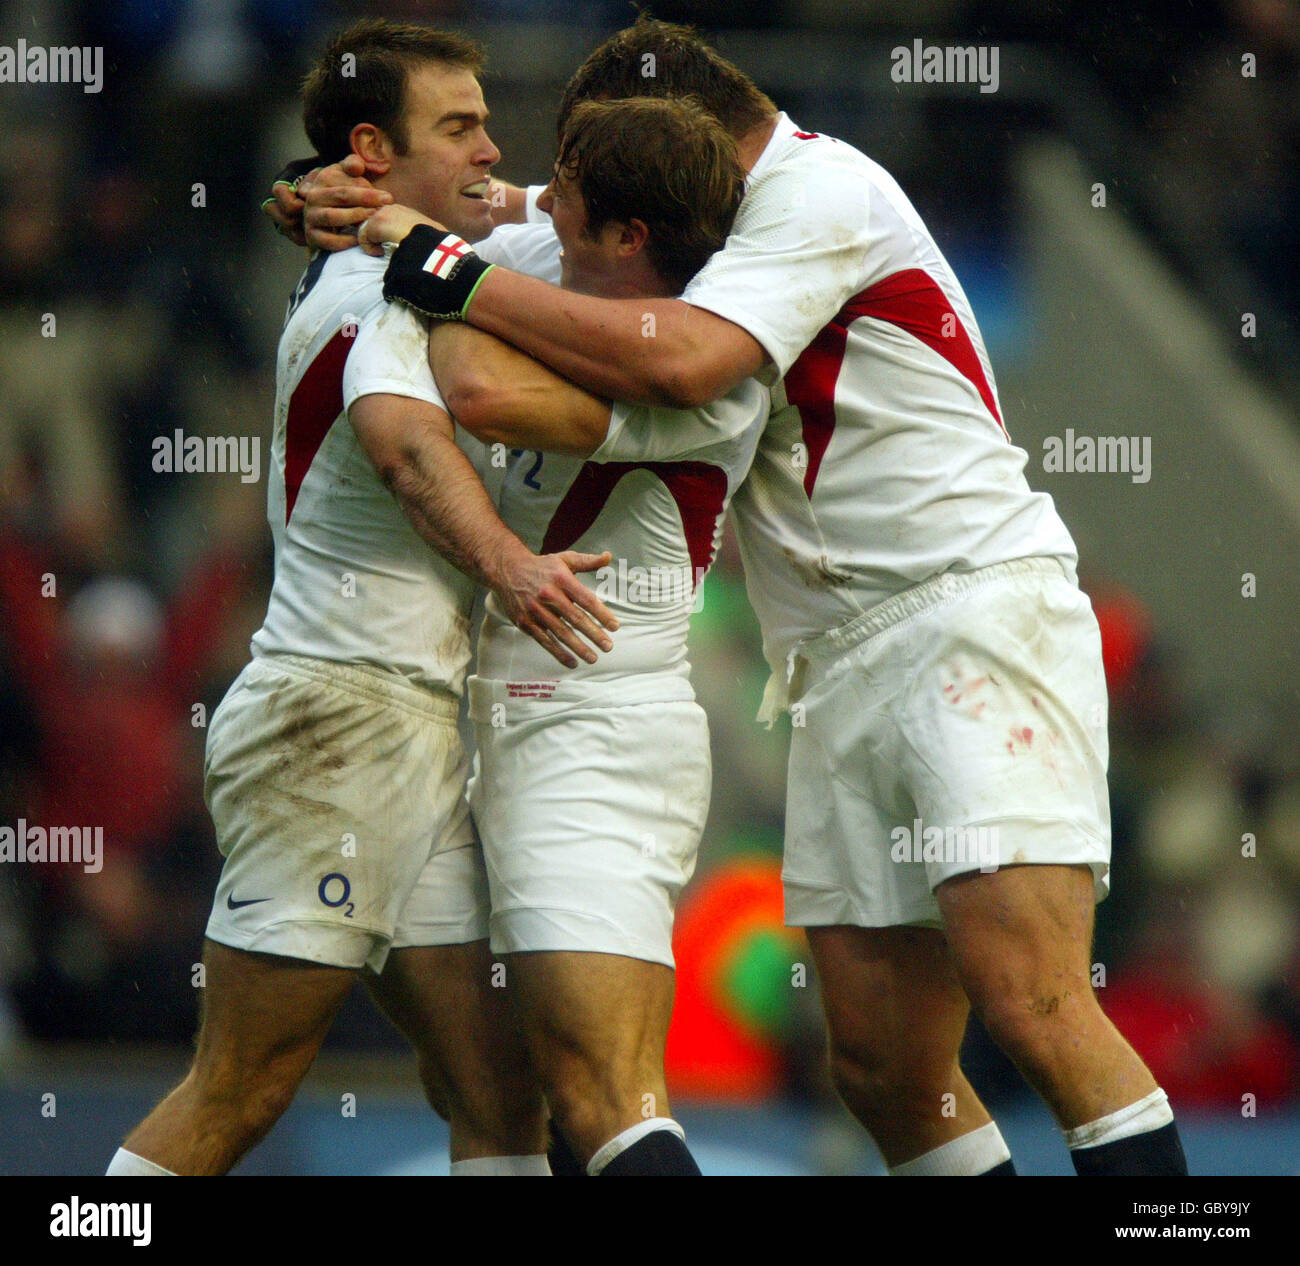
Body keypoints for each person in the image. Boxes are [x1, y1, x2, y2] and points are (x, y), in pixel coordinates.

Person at [336, 17, 1189, 1177]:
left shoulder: (817, 194)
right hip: (836, 661)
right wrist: (344, 194)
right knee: (885, 1072)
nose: (570, 194)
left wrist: (432, 264)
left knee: (1032, 1001)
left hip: (964, 612)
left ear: (684, 139)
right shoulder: (708, 221)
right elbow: (538, 212)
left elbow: (668, 358)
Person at [107, 18, 618, 1179]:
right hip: (335, 723)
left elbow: (571, 219)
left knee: (499, 1091)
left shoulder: (426, 250)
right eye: (462, 126)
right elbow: (402, 446)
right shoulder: (365, 295)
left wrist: (300, 187)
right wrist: (512, 566)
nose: (492, 146)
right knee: (238, 1089)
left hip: (412, 727)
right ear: (376, 154)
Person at [353, 94, 766, 1174]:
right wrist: (350, 200)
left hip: (594, 732)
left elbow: (483, 389)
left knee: (602, 1096)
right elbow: (503, 209)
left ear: (629, 236)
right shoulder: (579, 269)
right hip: (490, 724)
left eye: (570, 189)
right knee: (497, 1098)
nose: (545, 196)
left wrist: (425, 262)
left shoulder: (709, 376)